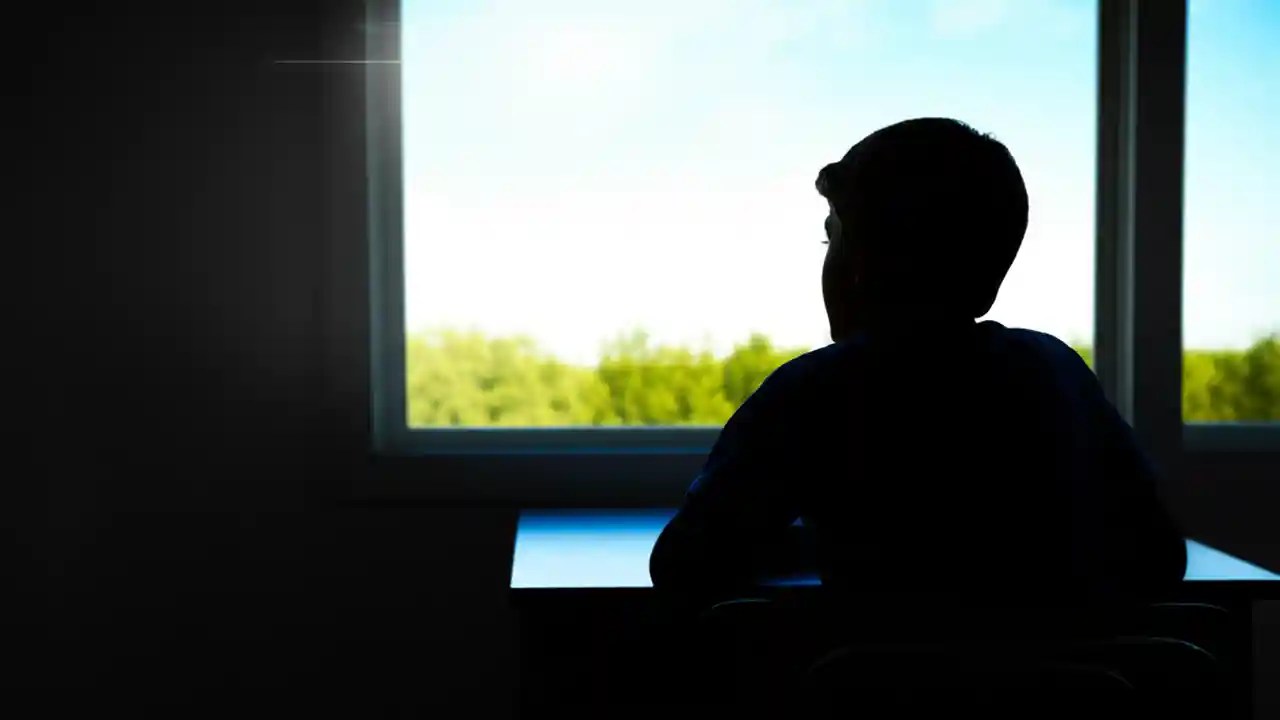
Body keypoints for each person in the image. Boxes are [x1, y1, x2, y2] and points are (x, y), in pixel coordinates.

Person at [649, 118, 1187, 640]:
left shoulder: (815, 392)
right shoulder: (1054, 370)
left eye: (830, 239)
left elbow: (683, 563)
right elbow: (1161, 556)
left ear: (859, 262)